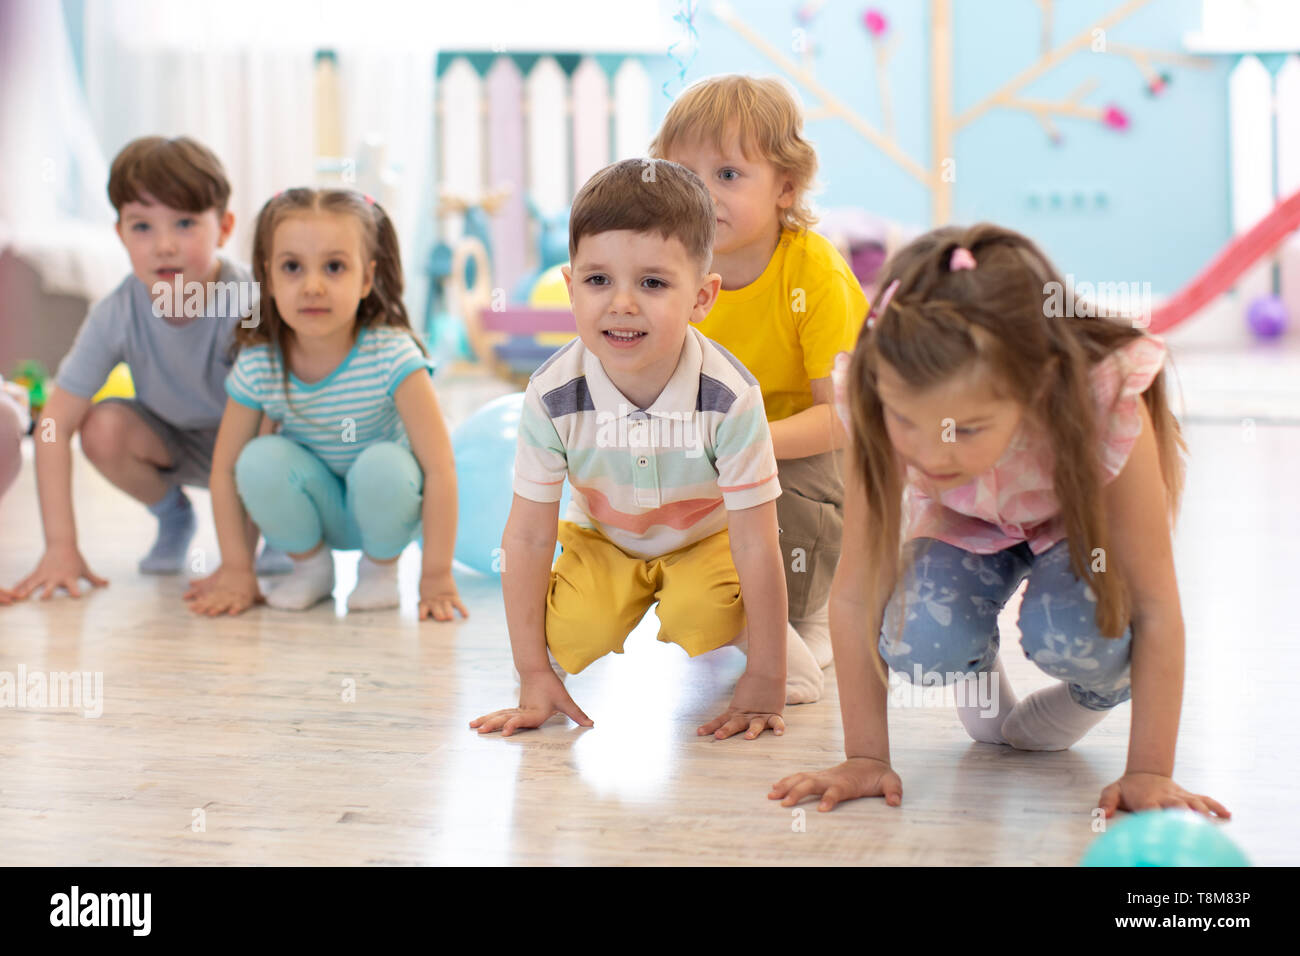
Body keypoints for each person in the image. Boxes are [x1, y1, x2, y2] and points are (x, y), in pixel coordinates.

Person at [771, 224, 1229, 819]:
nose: (932, 454)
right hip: (965, 524)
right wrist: (865, 758)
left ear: (1036, 387)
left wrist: (1148, 772)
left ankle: (1096, 693)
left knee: (1080, 629)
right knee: (918, 635)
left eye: (967, 429)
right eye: (906, 421)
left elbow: (1156, 606)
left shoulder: (1103, 396)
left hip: (1075, 528)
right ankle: (976, 671)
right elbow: (856, 594)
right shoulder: (875, 393)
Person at [471, 158, 817, 741]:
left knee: (704, 612)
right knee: (577, 631)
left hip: (706, 538)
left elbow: (756, 540)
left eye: (653, 283)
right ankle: (554, 658)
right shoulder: (552, 395)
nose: (622, 303)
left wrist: (767, 675)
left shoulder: (728, 396)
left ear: (702, 297)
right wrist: (532, 671)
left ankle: (777, 646)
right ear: (570, 284)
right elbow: (529, 535)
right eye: (598, 280)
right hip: (605, 539)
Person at [651, 75, 868, 700]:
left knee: (779, 515)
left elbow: (845, 419)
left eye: (727, 175)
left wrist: (745, 443)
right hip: (713, 449)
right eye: (684, 175)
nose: (703, 194)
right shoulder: (669, 265)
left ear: (786, 188)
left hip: (805, 455)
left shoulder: (815, 272)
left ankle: (810, 608)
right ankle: (723, 604)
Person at [10, 135, 287, 602]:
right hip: (179, 442)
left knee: (272, 443)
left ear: (224, 228)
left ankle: (281, 528)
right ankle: (173, 515)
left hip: (261, 444)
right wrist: (61, 546)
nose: (164, 246)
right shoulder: (117, 311)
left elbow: (266, 423)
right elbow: (54, 424)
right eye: (142, 227)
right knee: (101, 427)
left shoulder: (251, 302)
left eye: (184, 223)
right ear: (119, 233)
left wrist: (237, 561)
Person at [184, 188, 466, 620]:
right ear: (269, 277)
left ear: (366, 279)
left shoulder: (393, 357)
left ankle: (380, 571)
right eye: (292, 267)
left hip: (386, 509)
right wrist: (238, 569)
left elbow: (441, 469)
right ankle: (313, 569)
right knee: (256, 459)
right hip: (318, 516)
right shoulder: (260, 364)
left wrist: (436, 577)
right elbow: (223, 471)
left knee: (384, 464)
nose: (313, 286)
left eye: (334, 267)